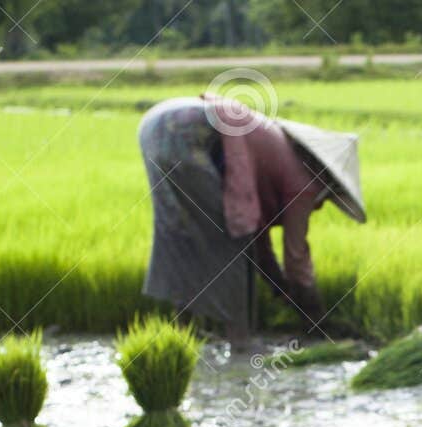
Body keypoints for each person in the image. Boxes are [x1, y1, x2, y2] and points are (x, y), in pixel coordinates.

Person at [138, 95, 365, 341]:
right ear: (331, 182)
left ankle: (183, 334)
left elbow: (260, 241)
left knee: (187, 233)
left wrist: (278, 286)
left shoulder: (277, 148)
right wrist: (315, 316)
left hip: (154, 124)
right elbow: (295, 257)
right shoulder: (305, 184)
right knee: (232, 242)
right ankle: (241, 343)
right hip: (188, 130)